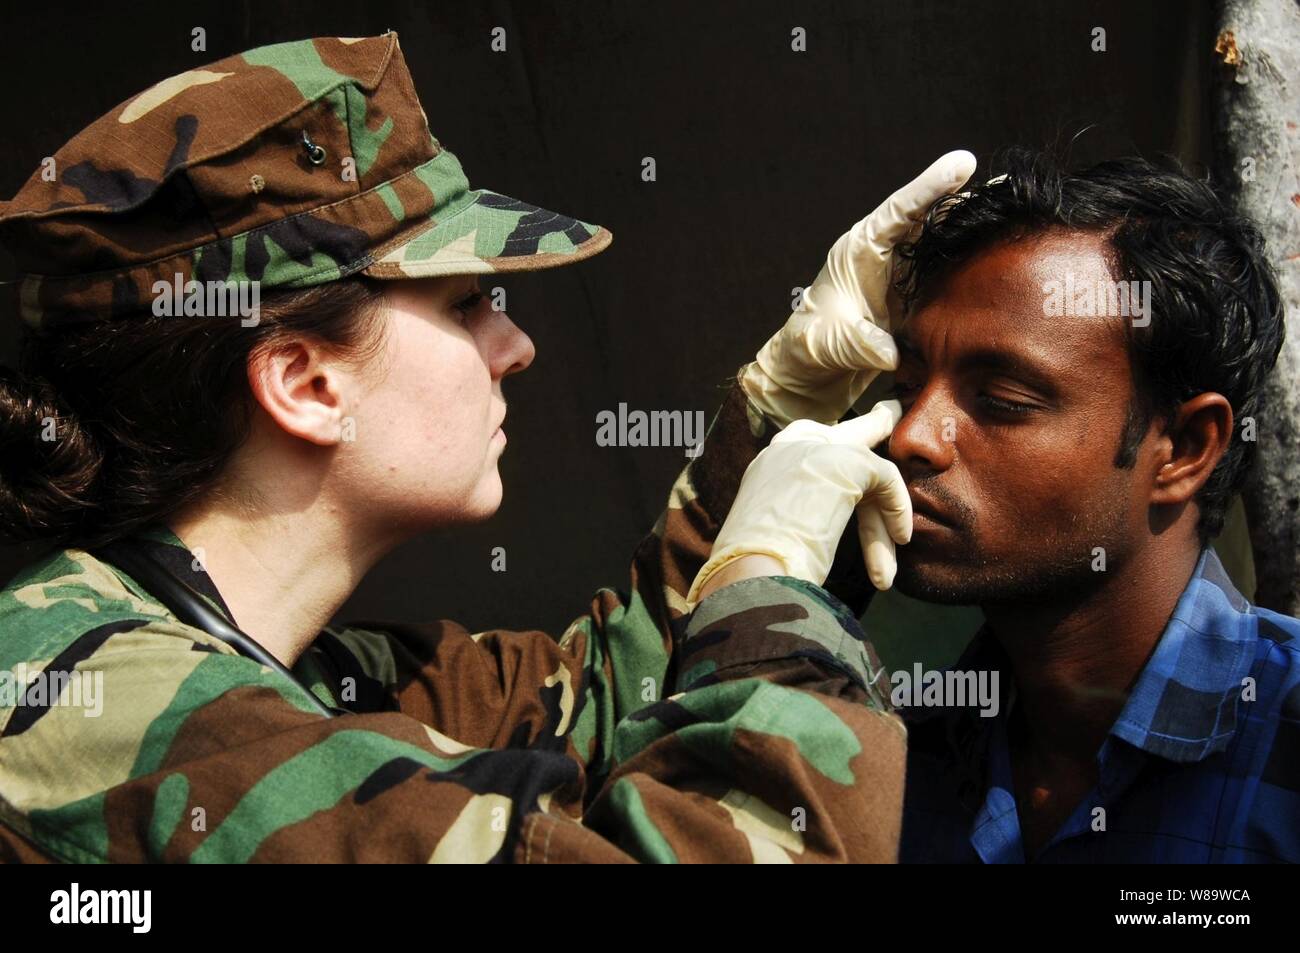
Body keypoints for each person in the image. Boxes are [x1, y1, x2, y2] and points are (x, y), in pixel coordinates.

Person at [0, 31, 970, 863]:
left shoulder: (245, 661)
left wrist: (775, 404)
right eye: (464, 304)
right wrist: (770, 585)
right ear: (305, 383)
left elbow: (595, 701)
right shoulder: (100, 708)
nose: (514, 346)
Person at [886, 148, 1299, 863]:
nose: (910, 435)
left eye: (1003, 401)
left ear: (1184, 449)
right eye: (910, 381)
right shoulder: (894, 748)